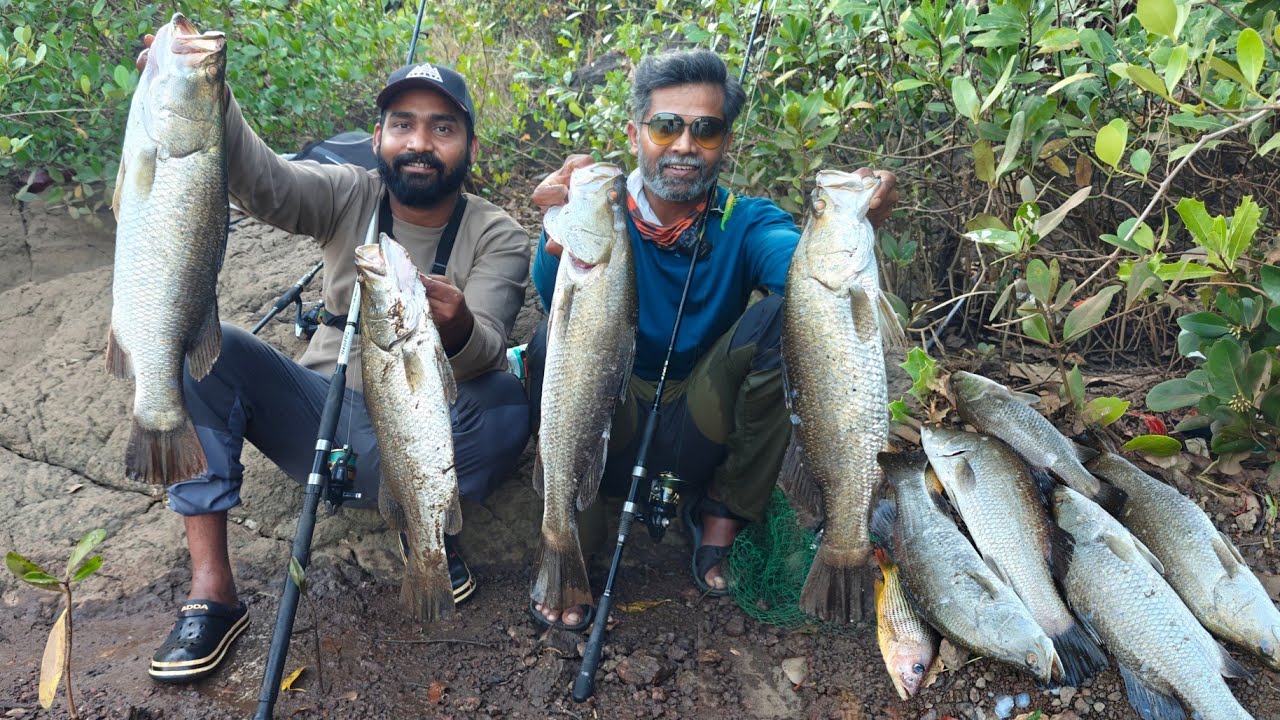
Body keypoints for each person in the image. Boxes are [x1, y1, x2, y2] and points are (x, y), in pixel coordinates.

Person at [136, 37, 532, 683]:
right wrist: (207, 91)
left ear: (470, 147)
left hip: (436, 425)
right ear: (377, 138)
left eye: (443, 128)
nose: (420, 143)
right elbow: (263, 181)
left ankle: (423, 523)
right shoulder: (348, 194)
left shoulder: (498, 233)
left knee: (509, 400)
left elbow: (488, 344)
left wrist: (457, 326)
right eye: (403, 125)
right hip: (326, 422)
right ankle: (212, 592)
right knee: (203, 347)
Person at [525, 49, 898, 629]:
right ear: (635, 134)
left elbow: (803, 273)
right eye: (666, 125)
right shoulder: (597, 210)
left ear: (724, 142)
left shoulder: (747, 221)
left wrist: (857, 230)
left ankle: (721, 513)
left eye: (706, 129)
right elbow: (556, 296)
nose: (684, 144)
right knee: (548, 344)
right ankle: (570, 528)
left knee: (783, 316)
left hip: (700, 418)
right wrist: (556, 229)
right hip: (610, 408)